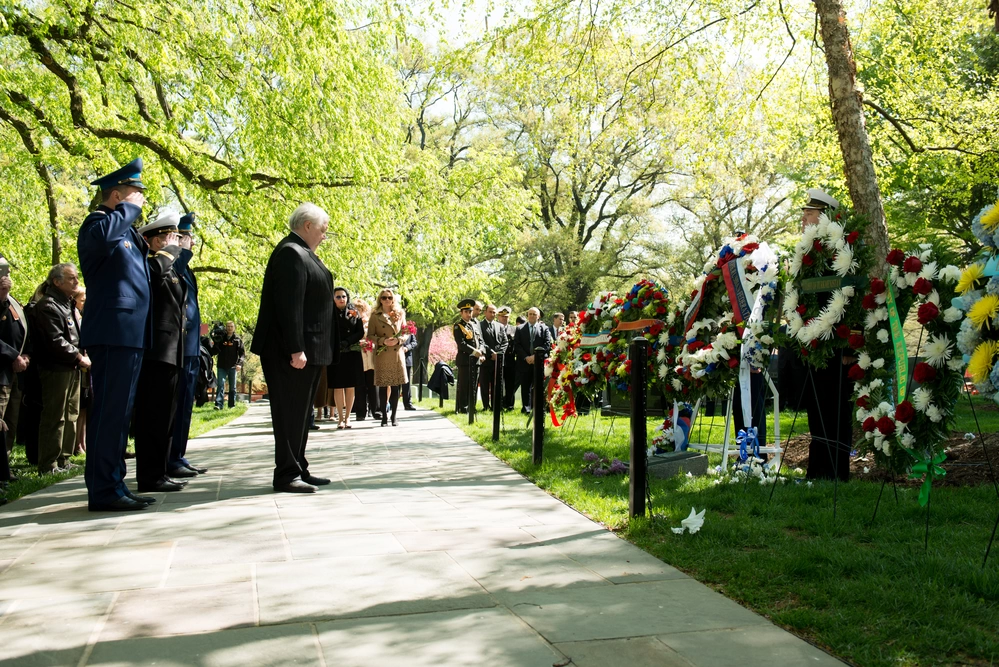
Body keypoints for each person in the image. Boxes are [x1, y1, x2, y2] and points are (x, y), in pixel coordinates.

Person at [78, 158, 155, 512]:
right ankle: (103, 489)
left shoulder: (124, 231)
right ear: (116, 195)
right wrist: (125, 209)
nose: (140, 201)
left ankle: (115, 483)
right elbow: (106, 236)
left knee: (120, 414)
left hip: (130, 334)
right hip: (111, 332)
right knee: (109, 412)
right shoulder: (97, 225)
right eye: (135, 194)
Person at [251, 203, 338, 494]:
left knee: (301, 413)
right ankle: (286, 474)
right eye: (323, 229)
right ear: (308, 226)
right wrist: (295, 348)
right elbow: (290, 306)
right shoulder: (291, 253)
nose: (325, 235)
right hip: (290, 351)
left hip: (309, 350)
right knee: (290, 412)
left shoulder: (304, 253)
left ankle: (298, 466)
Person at [788, 188, 854, 482]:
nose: (804, 217)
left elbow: (851, 296)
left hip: (838, 343)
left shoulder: (841, 248)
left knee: (835, 411)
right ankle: (817, 472)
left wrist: (852, 343)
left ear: (825, 217)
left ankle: (836, 474)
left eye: (810, 213)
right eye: (804, 212)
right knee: (817, 411)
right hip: (813, 343)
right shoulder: (808, 252)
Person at [132, 211, 192, 493]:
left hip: (172, 351)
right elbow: (153, 279)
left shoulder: (168, 267)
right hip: (156, 353)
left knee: (166, 416)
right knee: (152, 416)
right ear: (155, 240)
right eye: (171, 236)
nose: (177, 241)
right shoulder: (149, 264)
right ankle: (149, 475)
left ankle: (161, 470)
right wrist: (168, 253)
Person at [33, 263, 88, 475]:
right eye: (71, 278)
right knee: (55, 415)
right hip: (56, 367)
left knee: (71, 413)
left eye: (76, 277)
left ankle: (64, 458)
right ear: (57, 282)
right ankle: (48, 464)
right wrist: (78, 357)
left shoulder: (67, 304)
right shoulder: (48, 305)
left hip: (72, 365)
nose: (76, 281)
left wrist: (82, 355)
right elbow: (55, 340)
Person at [168, 212, 209, 478]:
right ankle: (170, 457)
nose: (191, 243)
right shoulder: (172, 264)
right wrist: (180, 252)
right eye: (187, 237)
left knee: (185, 405)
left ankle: (178, 455)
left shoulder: (185, 266)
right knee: (174, 406)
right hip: (179, 346)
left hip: (191, 346)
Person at [0, 254, 29, 488]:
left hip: (15, 371)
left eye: (7, 272)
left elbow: (22, 332)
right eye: (2, 272)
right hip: (2, 370)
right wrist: (13, 355)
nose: (6, 276)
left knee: (11, 420)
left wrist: (25, 354)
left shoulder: (12, 301)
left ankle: (5, 466)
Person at [368, 288, 408, 427]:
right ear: (380, 299)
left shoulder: (399, 313)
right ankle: (384, 416)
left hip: (397, 353)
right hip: (382, 353)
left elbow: (406, 332)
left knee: (396, 386)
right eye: (384, 297)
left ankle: (394, 416)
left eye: (389, 298)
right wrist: (382, 341)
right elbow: (370, 335)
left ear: (393, 299)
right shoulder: (374, 315)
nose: (387, 300)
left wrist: (399, 340)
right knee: (384, 386)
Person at [328, 287, 364, 429]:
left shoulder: (354, 312)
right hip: (336, 352)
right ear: (333, 298)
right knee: (338, 386)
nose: (341, 299)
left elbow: (360, 331)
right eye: (338, 297)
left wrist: (348, 341)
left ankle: (348, 417)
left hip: (352, 351)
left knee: (350, 386)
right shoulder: (329, 312)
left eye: (344, 296)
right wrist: (337, 343)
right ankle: (340, 419)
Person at [514, 307, 552, 413]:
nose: (531, 316)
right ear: (527, 315)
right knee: (525, 386)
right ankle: (526, 408)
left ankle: (538, 407)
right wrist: (526, 357)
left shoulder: (544, 329)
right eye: (530, 314)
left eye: (534, 314)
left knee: (538, 386)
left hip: (538, 362)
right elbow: (517, 345)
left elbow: (547, 344)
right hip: (524, 362)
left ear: (538, 316)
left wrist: (535, 357)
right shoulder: (520, 328)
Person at [453, 298, 485, 414]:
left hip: (476, 361)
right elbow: (461, 344)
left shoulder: (474, 325)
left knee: (474, 386)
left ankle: (472, 407)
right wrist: (474, 351)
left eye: (470, 311)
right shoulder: (458, 326)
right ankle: (463, 407)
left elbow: (481, 341)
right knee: (464, 385)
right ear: (461, 313)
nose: (468, 314)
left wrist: (481, 351)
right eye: (466, 312)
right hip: (465, 360)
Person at [353, 298, 381, 422]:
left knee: (373, 385)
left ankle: (376, 410)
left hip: (371, 357)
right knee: (359, 386)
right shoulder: (353, 323)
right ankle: (360, 412)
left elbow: (376, 337)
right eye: (356, 310)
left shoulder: (371, 323)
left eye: (361, 310)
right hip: (358, 358)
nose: (359, 312)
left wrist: (370, 343)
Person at [479, 304, 508, 411]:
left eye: (494, 312)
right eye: (490, 312)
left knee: (497, 385)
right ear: (485, 312)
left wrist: (499, 354)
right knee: (485, 385)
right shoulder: (480, 325)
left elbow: (505, 342)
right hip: (486, 360)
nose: (492, 314)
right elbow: (481, 341)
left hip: (498, 361)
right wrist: (491, 353)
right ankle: (486, 406)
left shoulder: (499, 326)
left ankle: (496, 406)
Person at [212, 321, 245, 410]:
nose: (230, 328)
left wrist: (239, 364)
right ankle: (219, 405)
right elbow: (215, 351)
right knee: (220, 385)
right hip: (221, 366)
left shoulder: (237, 339)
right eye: (228, 326)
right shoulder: (221, 338)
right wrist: (214, 340)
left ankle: (231, 405)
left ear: (234, 328)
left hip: (233, 366)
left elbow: (242, 354)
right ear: (226, 328)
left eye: (231, 326)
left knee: (232, 387)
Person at [73, 287, 89, 455]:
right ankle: (76, 445)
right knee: (76, 409)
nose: (84, 303)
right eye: (82, 299)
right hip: (77, 364)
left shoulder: (81, 316)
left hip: (85, 367)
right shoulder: (74, 314)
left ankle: (82, 442)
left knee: (83, 409)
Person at [497, 306, 518, 410]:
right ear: (498, 317)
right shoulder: (495, 327)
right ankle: (499, 404)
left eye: (506, 317)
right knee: (499, 384)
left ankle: (510, 405)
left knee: (510, 385)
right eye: (502, 316)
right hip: (498, 360)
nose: (504, 319)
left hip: (510, 360)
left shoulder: (514, 329)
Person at [401, 320, 418, 410]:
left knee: (406, 382)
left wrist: (407, 348)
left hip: (407, 359)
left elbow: (414, 342)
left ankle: (408, 403)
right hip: (396, 359)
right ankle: (392, 403)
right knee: (396, 382)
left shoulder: (410, 332)